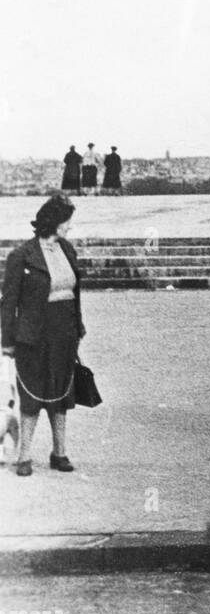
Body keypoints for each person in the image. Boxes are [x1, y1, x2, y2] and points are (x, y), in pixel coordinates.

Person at [0, 194, 85, 477]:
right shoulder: (22, 256)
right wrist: (8, 342)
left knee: (61, 394)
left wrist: (77, 328)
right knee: (32, 395)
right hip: (33, 334)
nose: (70, 227)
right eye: (66, 222)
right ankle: (24, 457)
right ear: (53, 222)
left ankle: (59, 453)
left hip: (64, 333)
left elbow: (75, 294)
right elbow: (9, 302)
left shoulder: (67, 250)